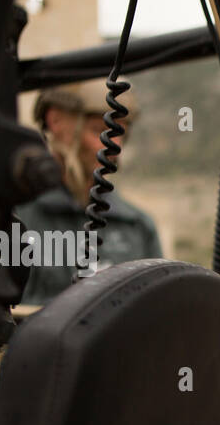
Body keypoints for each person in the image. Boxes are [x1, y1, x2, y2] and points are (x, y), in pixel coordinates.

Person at [17, 79, 163, 305]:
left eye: (120, 133)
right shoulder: (17, 218)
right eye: (101, 130)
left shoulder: (137, 226)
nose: (115, 146)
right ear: (56, 121)